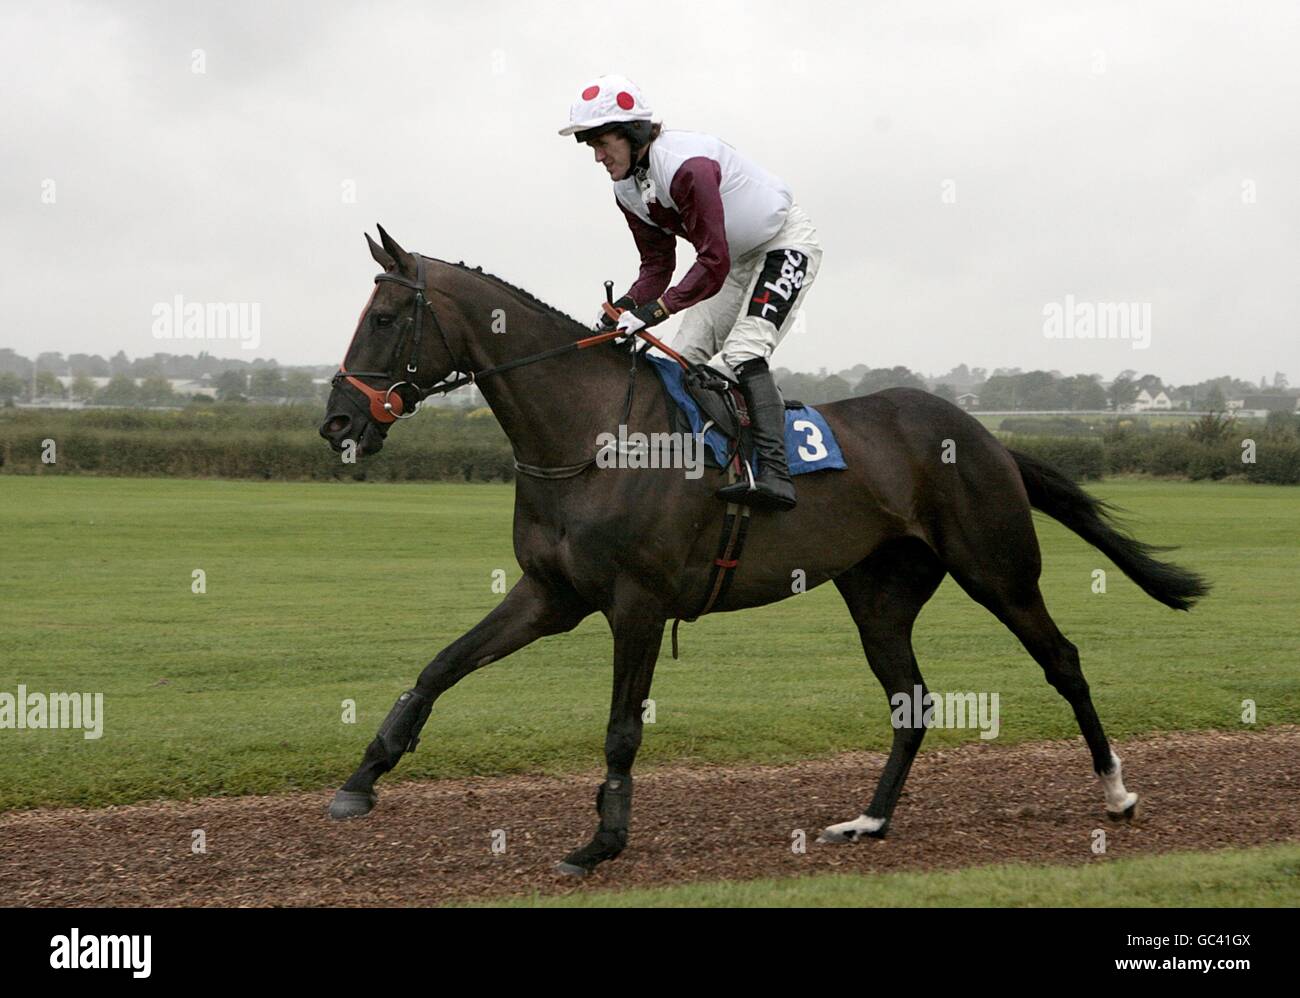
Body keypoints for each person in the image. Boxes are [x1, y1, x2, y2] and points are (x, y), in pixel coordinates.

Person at [559, 73, 822, 511]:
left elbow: (711, 262)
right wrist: (622, 311)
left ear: (633, 132)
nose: (598, 157)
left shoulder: (686, 167)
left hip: (782, 245)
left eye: (603, 144)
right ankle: (691, 475)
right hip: (733, 263)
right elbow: (657, 267)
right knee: (680, 362)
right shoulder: (627, 189)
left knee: (742, 353)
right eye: (592, 148)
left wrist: (655, 311)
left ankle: (776, 476)